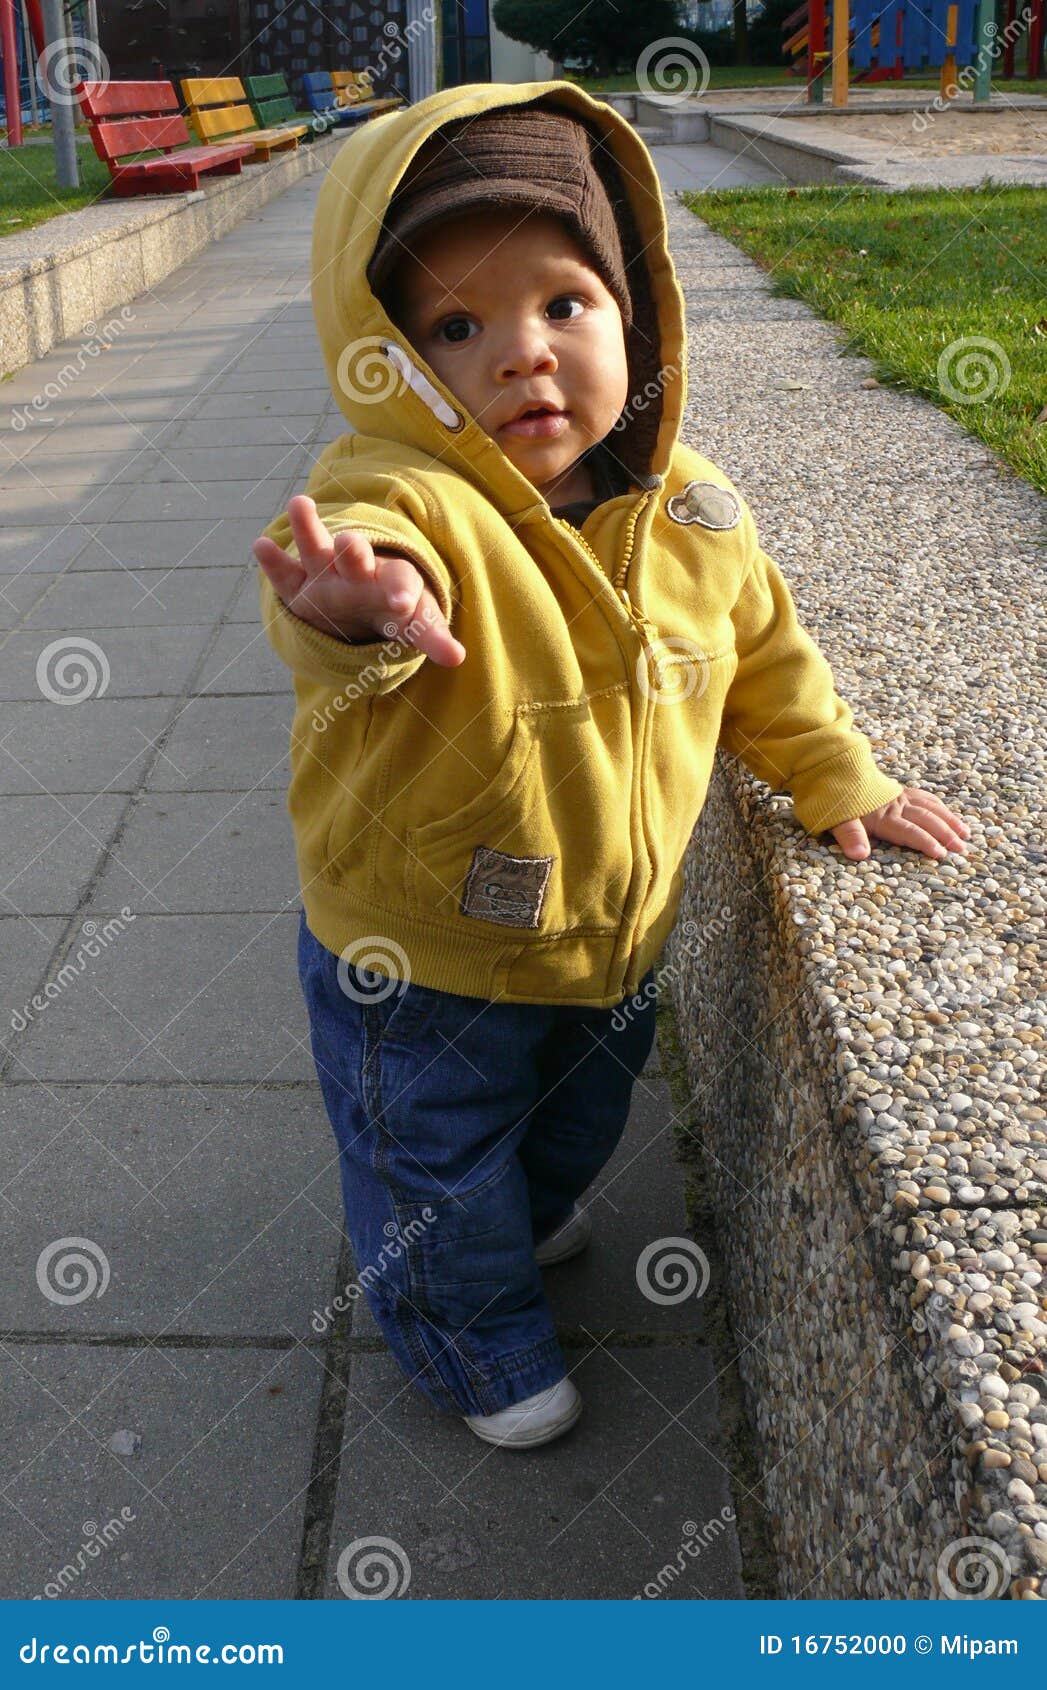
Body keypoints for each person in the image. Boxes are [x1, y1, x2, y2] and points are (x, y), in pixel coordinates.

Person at [252, 82, 969, 1450]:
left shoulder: (694, 506)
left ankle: (526, 1216)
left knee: (577, 1119)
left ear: (632, 310)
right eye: (458, 326)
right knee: (432, 1161)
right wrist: (361, 606)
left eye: (563, 306)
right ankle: (468, 1339)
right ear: (390, 360)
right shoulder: (405, 500)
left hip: (613, 938)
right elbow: (347, 583)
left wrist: (837, 771)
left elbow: (769, 659)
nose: (522, 355)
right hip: (422, 954)